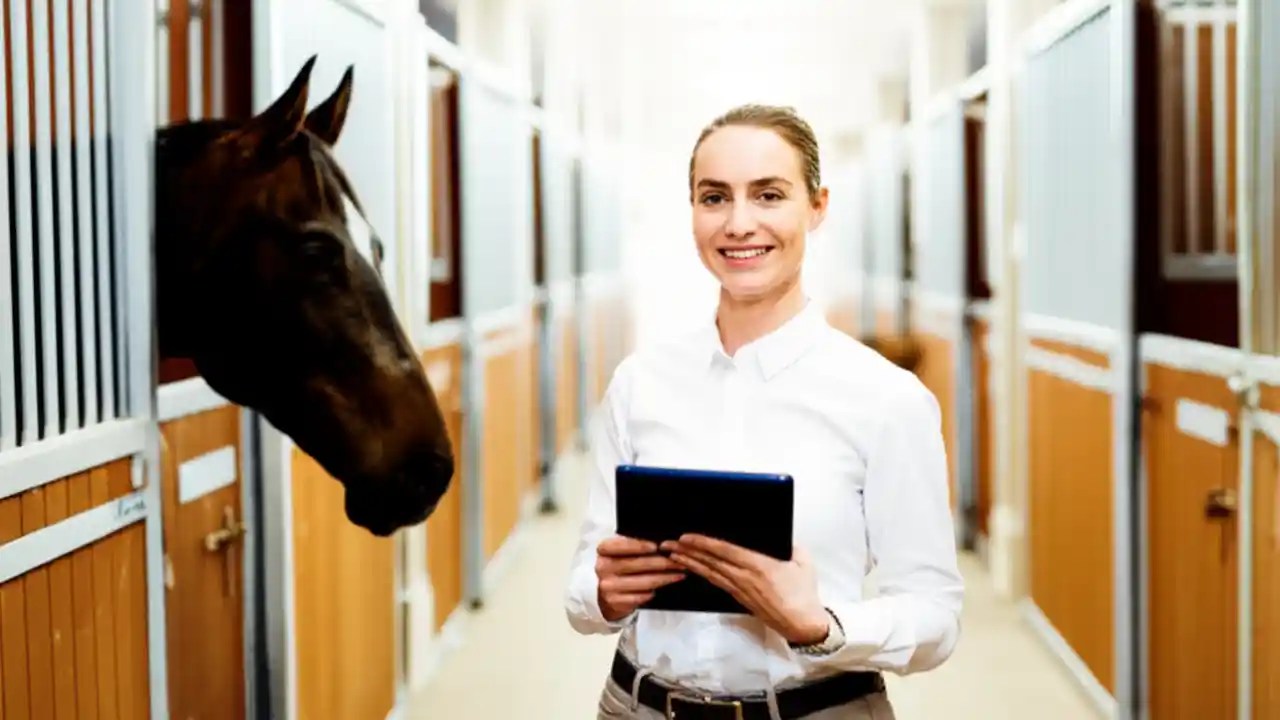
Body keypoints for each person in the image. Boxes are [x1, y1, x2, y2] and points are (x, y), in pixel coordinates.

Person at [564, 104, 964, 720]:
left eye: (769, 195)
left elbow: (935, 614)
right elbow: (582, 588)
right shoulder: (640, 384)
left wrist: (820, 624)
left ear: (818, 206)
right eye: (714, 197)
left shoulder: (886, 399)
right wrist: (604, 594)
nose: (739, 223)